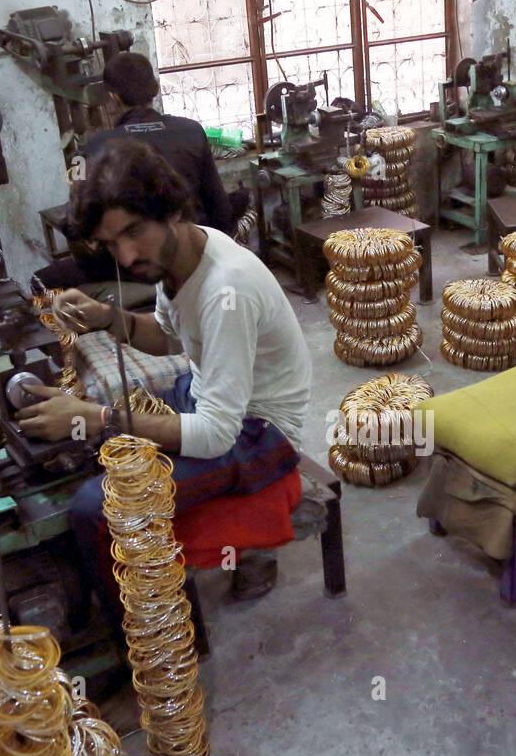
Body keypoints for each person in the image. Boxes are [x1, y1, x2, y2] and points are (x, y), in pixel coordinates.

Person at [17, 139, 311, 599]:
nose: (127, 257)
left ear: (171, 209)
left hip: (260, 434)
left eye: (134, 232)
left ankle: (126, 636)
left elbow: (217, 435)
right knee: (101, 439)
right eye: (112, 243)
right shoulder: (184, 255)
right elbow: (167, 335)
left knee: (96, 506)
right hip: (212, 397)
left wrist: (92, 416)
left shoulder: (223, 289)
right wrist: (106, 316)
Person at [85, 52, 233, 234]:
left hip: (135, 256)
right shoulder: (192, 131)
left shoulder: (97, 147)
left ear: (114, 97)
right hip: (193, 246)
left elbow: (83, 223)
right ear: (156, 87)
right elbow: (220, 210)